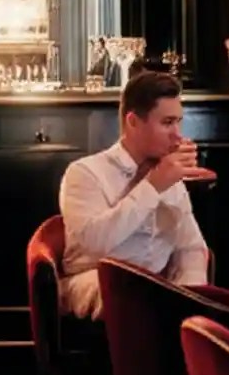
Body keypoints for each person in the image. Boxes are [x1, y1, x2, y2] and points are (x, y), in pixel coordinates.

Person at [58, 71, 209, 319]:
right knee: (128, 293)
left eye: (179, 122)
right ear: (133, 122)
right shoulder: (84, 173)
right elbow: (95, 243)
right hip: (93, 280)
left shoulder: (169, 174)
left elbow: (191, 247)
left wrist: (190, 298)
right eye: (167, 123)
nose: (177, 134)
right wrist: (152, 186)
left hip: (156, 288)